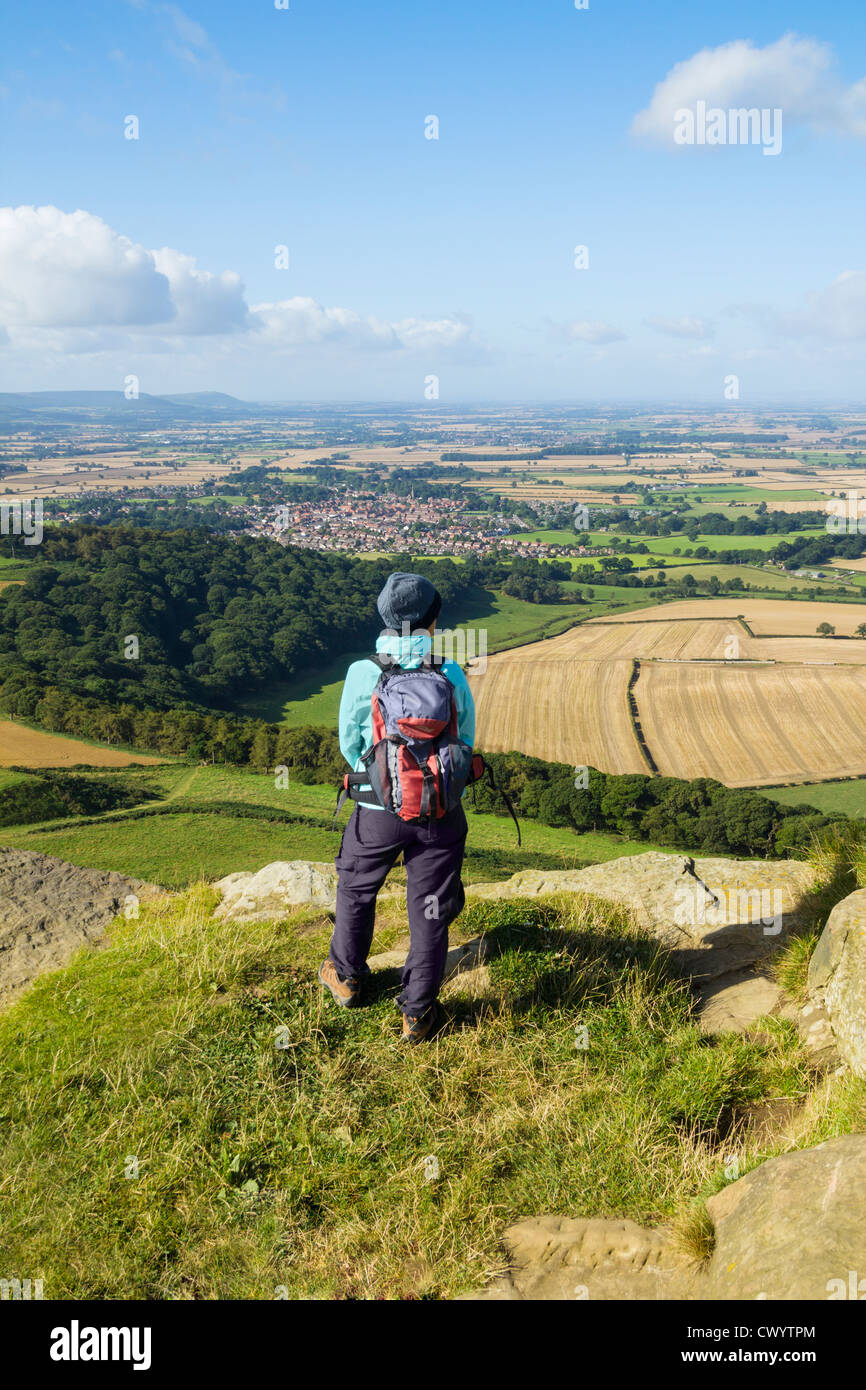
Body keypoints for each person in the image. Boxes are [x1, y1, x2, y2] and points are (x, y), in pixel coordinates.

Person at [319, 572, 476, 1043]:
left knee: (357, 889)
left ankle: (346, 977)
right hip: (439, 813)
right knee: (429, 908)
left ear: (384, 617)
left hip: (377, 810)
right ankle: (418, 1011)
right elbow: (464, 742)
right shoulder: (448, 671)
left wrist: (382, 780)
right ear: (434, 618)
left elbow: (351, 743)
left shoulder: (363, 671)